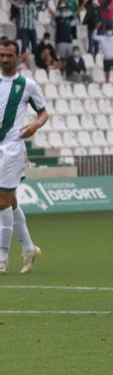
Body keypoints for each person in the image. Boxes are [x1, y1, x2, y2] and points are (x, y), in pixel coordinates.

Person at [0, 40, 47, 274]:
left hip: (12, 148)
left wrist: (35, 125)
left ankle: (2, 258)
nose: (5, 59)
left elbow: (44, 113)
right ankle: (29, 248)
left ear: (18, 56)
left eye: (9, 55)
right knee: (11, 201)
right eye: (2, 55)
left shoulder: (27, 85)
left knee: (1, 202)